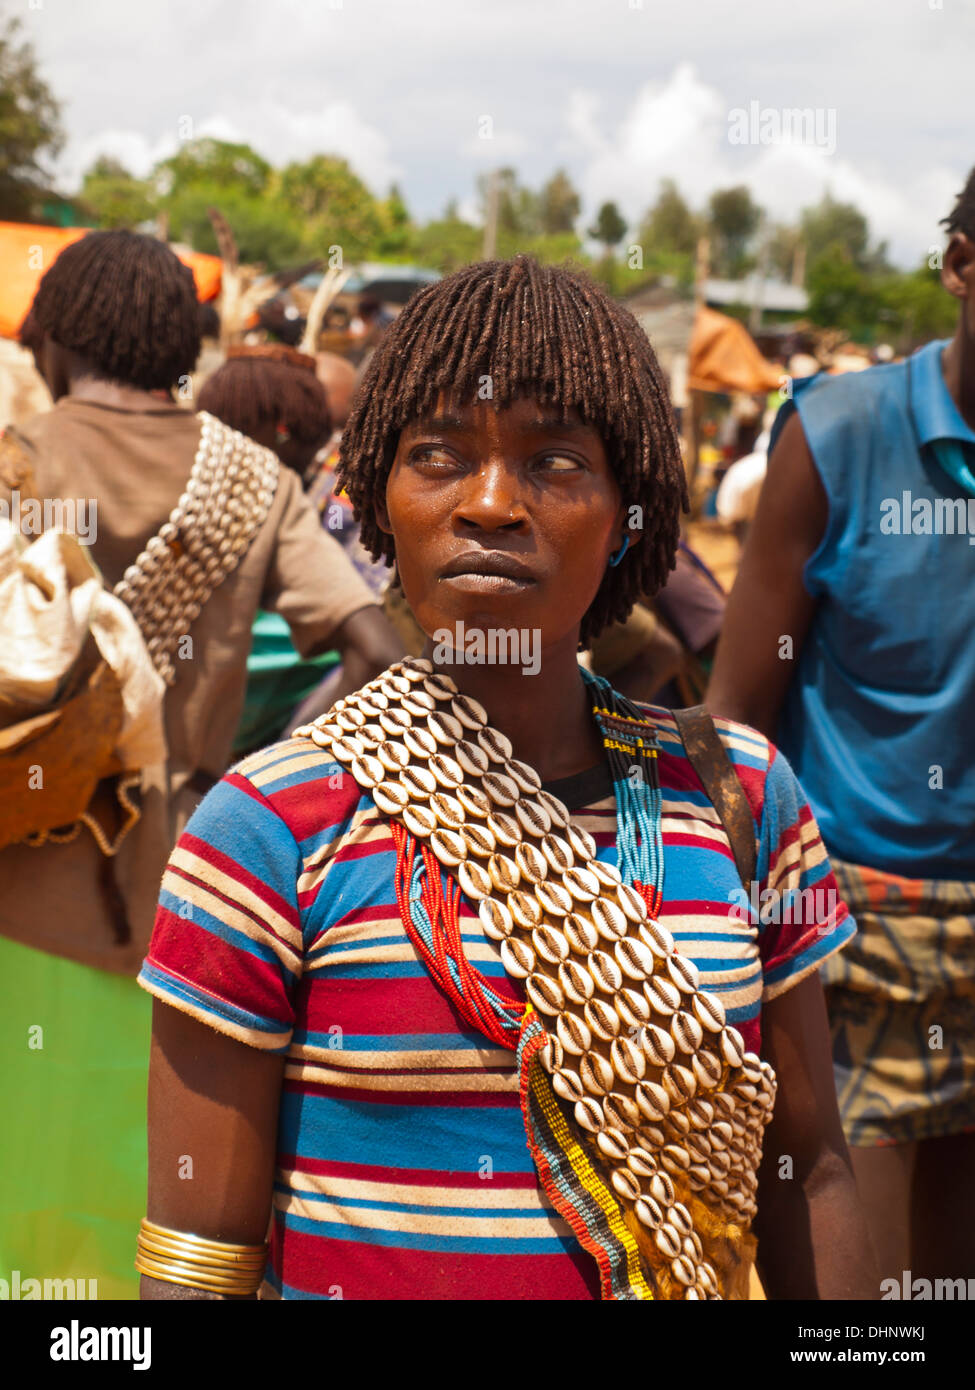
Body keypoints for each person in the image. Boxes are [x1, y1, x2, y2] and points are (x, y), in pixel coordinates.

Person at [137, 254, 874, 1301]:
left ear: (630, 513)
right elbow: (193, 1260)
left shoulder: (739, 795)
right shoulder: (267, 830)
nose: (490, 503)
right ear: (379, 503)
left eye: (556, 463)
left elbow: (811, 1173)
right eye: (436, 455)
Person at [0, 230, 400, 1298]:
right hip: (191, 913)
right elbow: (380, 649)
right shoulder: (253, 479)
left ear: (55, 340)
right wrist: (265, 794)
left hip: (17, 894)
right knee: (140, 1203)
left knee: (17, 1201)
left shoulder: (16, 455)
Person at [707, 172, 975, 1287]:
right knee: (860, 1301)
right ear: (962, 266)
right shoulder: (840, 437)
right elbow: (735, 720)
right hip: (860, 936)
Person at [197, 343, 404, 754]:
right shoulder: (298, 479)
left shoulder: (347, 483)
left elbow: (369, 635)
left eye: (230, 426)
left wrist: (282, 758)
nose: (217, 446)